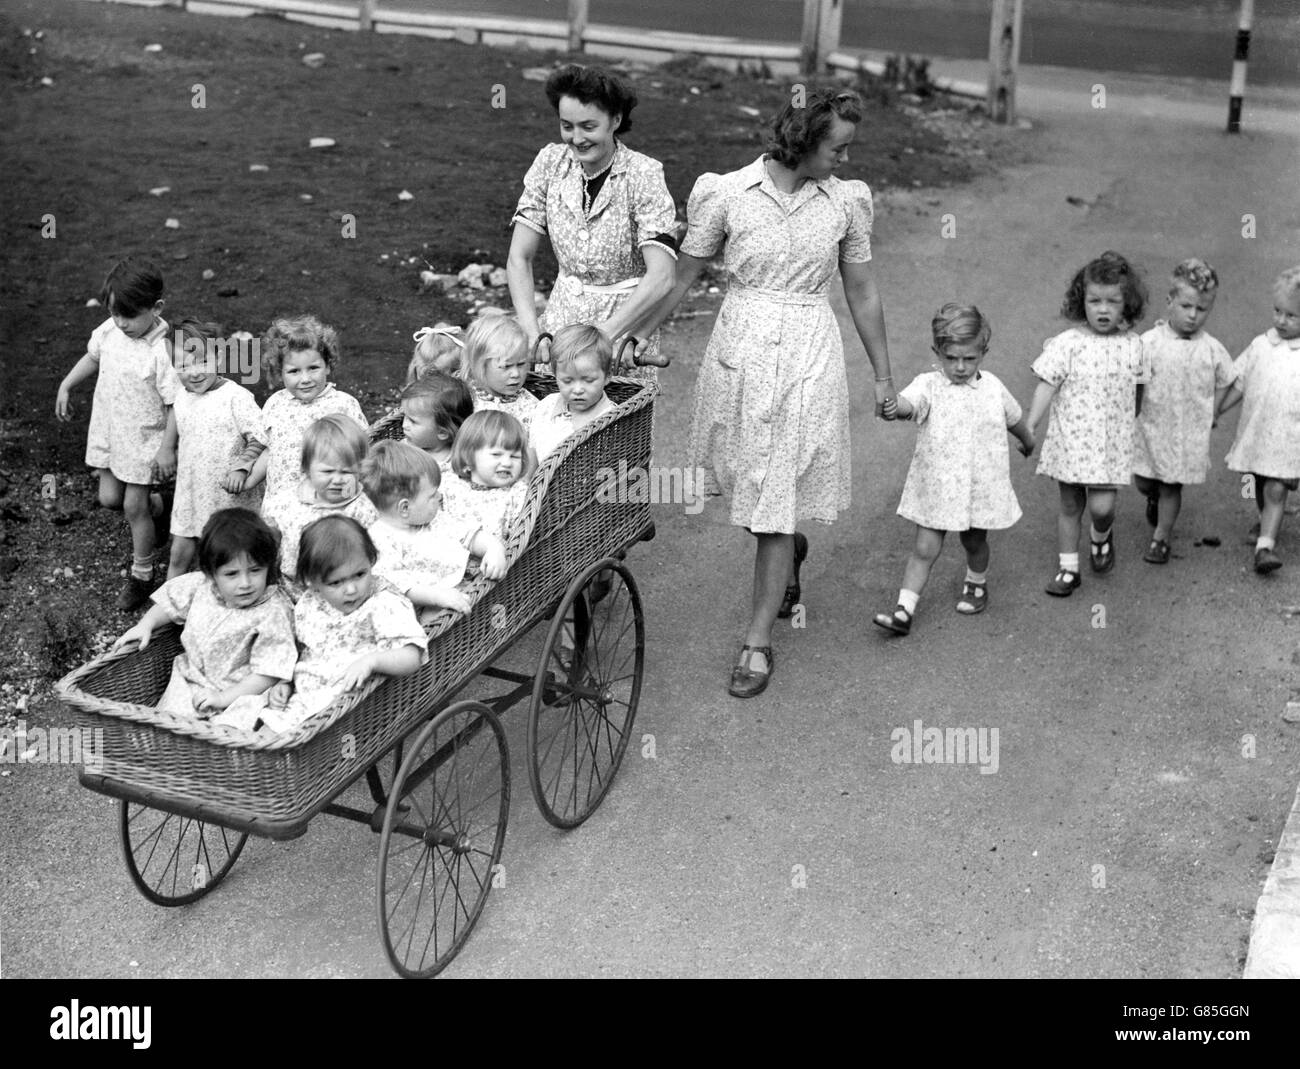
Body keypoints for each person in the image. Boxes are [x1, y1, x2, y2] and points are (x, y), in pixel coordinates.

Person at [638, 88, 896, 697]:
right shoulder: (725, 192)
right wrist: (634, 335)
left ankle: (756, 642)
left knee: (775, 497)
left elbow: (862, 292)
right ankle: (789, 554)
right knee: (750, 489)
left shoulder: (847, 202)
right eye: (839, 147)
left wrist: (883, 376)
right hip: (742, 352)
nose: (846, 160)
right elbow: (682, 277)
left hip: (809, 352)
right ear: (804, 140)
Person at [874, 304, 1033, 634]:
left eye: (969, 359)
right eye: (951, 358)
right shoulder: (929, 385)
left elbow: (1014, 419)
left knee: (974, 542)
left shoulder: (992, 387)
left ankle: (976, 583)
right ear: (938, 353)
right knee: (924, 548)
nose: (960, 367)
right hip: (938, 488)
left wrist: (1028, 441)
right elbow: (910, 404)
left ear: (982, 353)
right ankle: (904, 610)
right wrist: (894, 407)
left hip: (978, 486)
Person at [507, 63, 676, 373]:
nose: (577, 138)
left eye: (588, 126)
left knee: (614, 419)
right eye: (567, 126)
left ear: (615, 120)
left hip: (621, 333)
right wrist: (533, 334)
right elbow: (520, 257)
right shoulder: (550, 163)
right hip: (560, 325)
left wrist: (606, 335)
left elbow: (662, 275)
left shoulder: (643, 174)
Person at [213, 515, 427, 734]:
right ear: (312, 583)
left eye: (360, 574)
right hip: (303, 700)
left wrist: (373, 661)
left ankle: (340, 761)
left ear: (371, 562)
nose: (351, 589)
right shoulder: (311, 604)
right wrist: (285, 683)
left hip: (349, 709)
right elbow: (300, 650)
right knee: (260, 731)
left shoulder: (383, 603)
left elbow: (412, 657)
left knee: (306, 745)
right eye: (336, 582)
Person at [54, 257, 180, 611]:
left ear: (155, 308)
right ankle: (160, 508)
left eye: (129, 316)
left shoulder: (161, 350)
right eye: (115, 313)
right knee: (110, 498)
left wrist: (167, 449)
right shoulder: (110, 330)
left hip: (144, 440)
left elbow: (174, 404)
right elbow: (92, 357)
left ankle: (142, 574)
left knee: (131, 505)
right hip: (111, 431)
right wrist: (66, 385)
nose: (121, 322)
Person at [1025, 251, 1149, 596]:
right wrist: (1030, 423)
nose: (1103, 309)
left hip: (1110, 443)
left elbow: (1140, 389)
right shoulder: (1068, 344)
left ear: (1128, 305)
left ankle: (1101, 535)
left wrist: (1132, 419)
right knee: (1069, 506)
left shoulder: (1134, 346)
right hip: (1071, 441)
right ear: (1083, 302)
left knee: (1102, 507)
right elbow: (1047, 382)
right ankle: (1068, 569)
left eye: (1113, 301)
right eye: (1095, 301)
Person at [111, 508, 295, 718]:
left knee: (230, 736)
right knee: (168, 726)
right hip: (191, 680)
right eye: (231, 574)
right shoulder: (202, 585)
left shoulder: (273, 611)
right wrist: (146, 624)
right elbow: (170, 602)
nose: (245, 583)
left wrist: (224, 698)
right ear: (211, 572)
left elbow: (268, 673)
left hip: (243, 694)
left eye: (255, 570)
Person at [1132, 258, 1233, 565]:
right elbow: (1134, 380)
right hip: (1151, 426)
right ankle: (1151, 497)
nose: (1192, 316)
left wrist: (1216, 410)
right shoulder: (1149, 342)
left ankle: (1161, 537)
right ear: (1170, 302)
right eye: (1186, 306)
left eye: (1201, 309)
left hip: (1187, 433)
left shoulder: (1211, 348)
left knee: (1171, 484)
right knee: (1146, 481)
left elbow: (1229, 378)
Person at [165, 317, 268, 579]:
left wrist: (242, 468)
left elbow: (260, 438)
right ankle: (169, 611)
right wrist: (167, 448)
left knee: (230, 557)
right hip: (191, 491)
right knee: (178, 554)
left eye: (202, 362)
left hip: (228, 498)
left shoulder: (235, 397)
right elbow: (180, 426)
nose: (195, 372)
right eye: (184, 365)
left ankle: (228, 605)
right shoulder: (182, 396)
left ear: (218, 357)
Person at [361, 440, 506, 619]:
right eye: (432, 495)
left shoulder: (435, 519)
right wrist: (438, 596)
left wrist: (494, 549)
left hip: (466, 580)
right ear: (405, 508)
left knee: (495, 581)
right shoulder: (380, 539)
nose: (440, 496)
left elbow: (470, 535)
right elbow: (398, 584)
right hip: (427, 601)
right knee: (432, 621)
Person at [1217, 264, 1300, 574]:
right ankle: (1266, 521)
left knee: (1276, 489)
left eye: (1292, 315)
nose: (1281, 320)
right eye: (1278, 311)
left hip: (1291, 438)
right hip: (1258, 432)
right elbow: (1240, 381)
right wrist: (1218, 410)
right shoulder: (1261, 345)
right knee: (1260, 482)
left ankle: (1265, 546)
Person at [248, 314, 368, 509]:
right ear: (280, 372)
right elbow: (271, 449)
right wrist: (249, 480)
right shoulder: (275, 404)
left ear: (328, 366)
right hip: (281, 505)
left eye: (313, 368)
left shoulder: (344, 405)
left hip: (327, 505)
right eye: (294, 371)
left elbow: (362, 455)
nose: (305, 379)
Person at [263, 414, 377, 589]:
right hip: (288, 587)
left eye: (347, 473)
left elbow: (372, 558)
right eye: (328, 471)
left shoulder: (361, 510)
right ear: (307, 468)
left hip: (340, 590)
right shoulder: (283, 504)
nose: (338, 480)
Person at [441, 410, 533, 543]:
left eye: (514, 456)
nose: (507, 463)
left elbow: (521, 539)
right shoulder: (449, 484)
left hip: (495, 561)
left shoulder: (517, 494)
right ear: (468, 457)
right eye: (496, 454)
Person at [529, 324, 618, 462]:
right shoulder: (546, 407)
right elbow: (533, 455)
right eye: (567, 381)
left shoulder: (612, 419)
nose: (577, 390)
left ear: (607, 376)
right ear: (555, 376)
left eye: (588, 380)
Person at [458, 315, 539, 424]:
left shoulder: (529, 404)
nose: (515, 374)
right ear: (480, 365)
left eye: (521, 364)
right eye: (506, 366)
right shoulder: (464, 400)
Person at [399, 372, 474, 475]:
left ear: (442, 432)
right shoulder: (403, 448)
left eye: (413, 421)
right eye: (405, 416)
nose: (404, 425)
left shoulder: (456, 462)